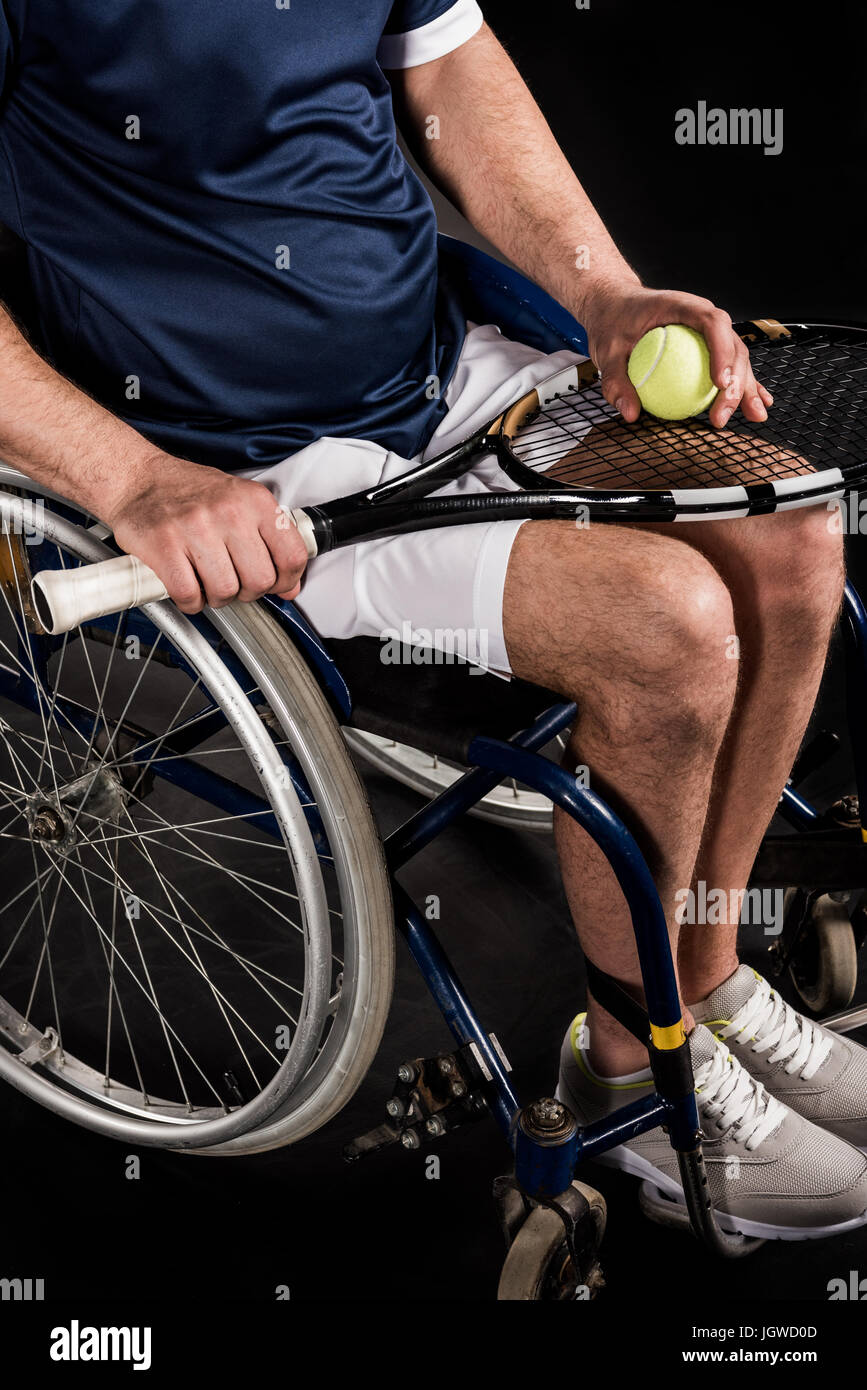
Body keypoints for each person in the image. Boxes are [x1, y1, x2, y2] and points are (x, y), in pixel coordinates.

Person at [0, 3, 864, 1238]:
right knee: (669, 625)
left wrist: (607, 292)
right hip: (242, 473)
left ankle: (704, 978)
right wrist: (130, 478)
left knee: (791, 536)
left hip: (442, 370)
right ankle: (633, 1067)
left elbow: (446, 56)